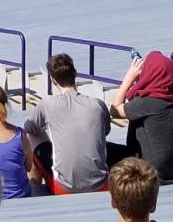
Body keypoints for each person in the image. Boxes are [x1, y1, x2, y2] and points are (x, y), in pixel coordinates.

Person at [23, 54, 111, 195]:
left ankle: (35, 187)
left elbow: (28, 128)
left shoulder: (47, 104)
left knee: (33, 135)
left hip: (64, 187)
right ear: (75, 74)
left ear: (53, 80)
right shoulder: (98, 105)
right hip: (100, 183)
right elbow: (105, 131)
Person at [109, 51, 173, 183]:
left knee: (103, 150)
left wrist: (129, 78)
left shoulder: (146, 103)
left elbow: (114, 110)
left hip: (152, 172)